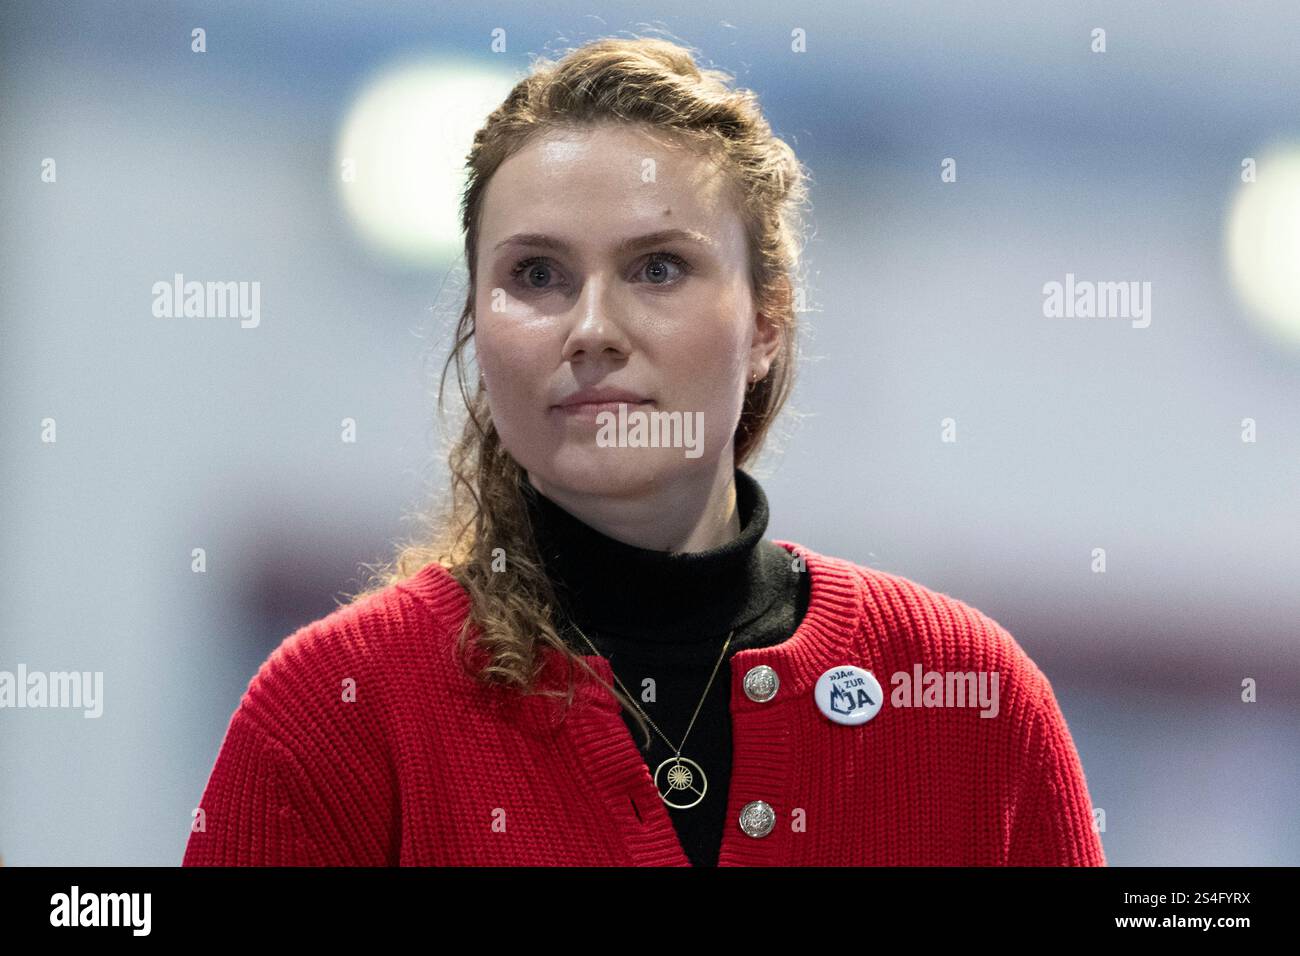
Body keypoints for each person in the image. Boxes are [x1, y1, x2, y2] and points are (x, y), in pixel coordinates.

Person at [183, 36, 1105, 867]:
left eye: (658, 268)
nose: (591, 329)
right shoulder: (337, 710)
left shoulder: (967, 701)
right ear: (476, 323)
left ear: (767, 322)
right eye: (535, 275)